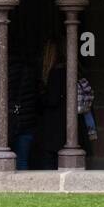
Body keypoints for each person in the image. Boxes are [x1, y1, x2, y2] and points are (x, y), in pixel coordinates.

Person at [34, 37, 67, 169]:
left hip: (54, 126)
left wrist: (41, 96)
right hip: (63, 124)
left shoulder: (56, 73)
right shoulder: (66, 71)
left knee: (49, 159)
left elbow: (52, 100)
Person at [7, 51, 40, 171]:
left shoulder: (5, 71)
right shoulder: (31, 72)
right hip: (27, 121)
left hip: (8, 120)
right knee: (22, 159)